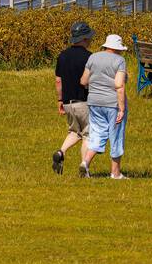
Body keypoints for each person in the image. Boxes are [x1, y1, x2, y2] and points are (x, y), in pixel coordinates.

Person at [80, 33, 129, 179]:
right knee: (116, 136)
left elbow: (83, 81)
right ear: (117, 48)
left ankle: (85, 163)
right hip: (112, 103)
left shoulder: (93, 57)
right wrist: (121, 108)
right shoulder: (120, 60)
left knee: (97, 134)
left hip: (94, 101)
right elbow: (119, 85)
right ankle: (115, 173)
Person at [52, 21, 94, 175]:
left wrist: (60, 101)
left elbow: (58, 80)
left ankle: (61, 152)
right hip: (84, 101)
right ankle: (85, 166)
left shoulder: (62, 56)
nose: (90, 40)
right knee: (88, 134)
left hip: (68, 103)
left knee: (74, 132)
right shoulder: (90, 57)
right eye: (89, 38)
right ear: (84, 39)